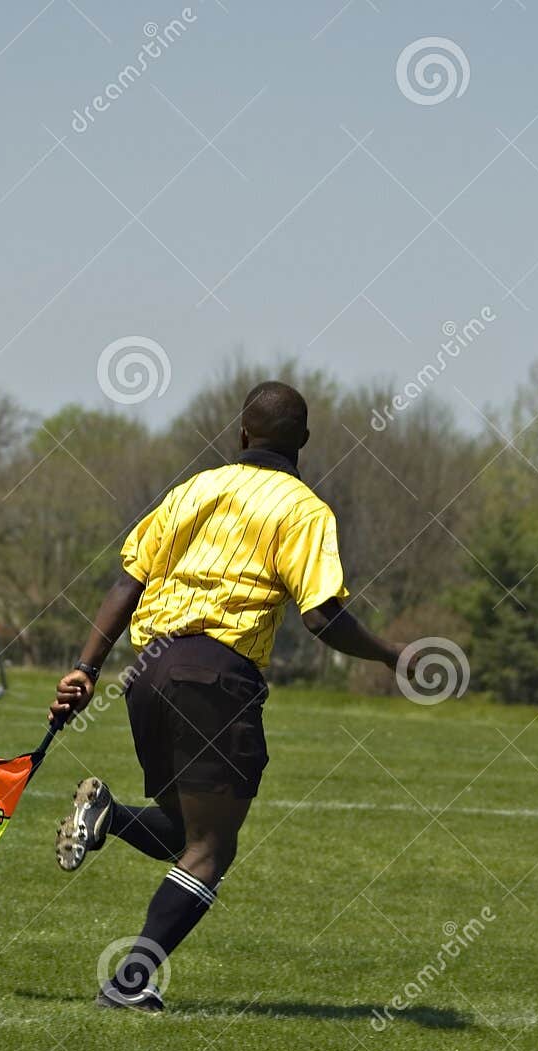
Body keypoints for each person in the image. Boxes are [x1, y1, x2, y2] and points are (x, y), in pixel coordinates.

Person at [49, 379, 417, 1012]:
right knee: (212, 847)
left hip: (148, 673)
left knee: (182, 831)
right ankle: (129, 984)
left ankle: (108, 813)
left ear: (241, 435)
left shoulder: (192, 489)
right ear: (303, 441)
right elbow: (323, 617)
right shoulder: (303, 509)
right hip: (216, 675)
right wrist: (392, 655)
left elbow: (126, 584)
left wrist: (85, 668)